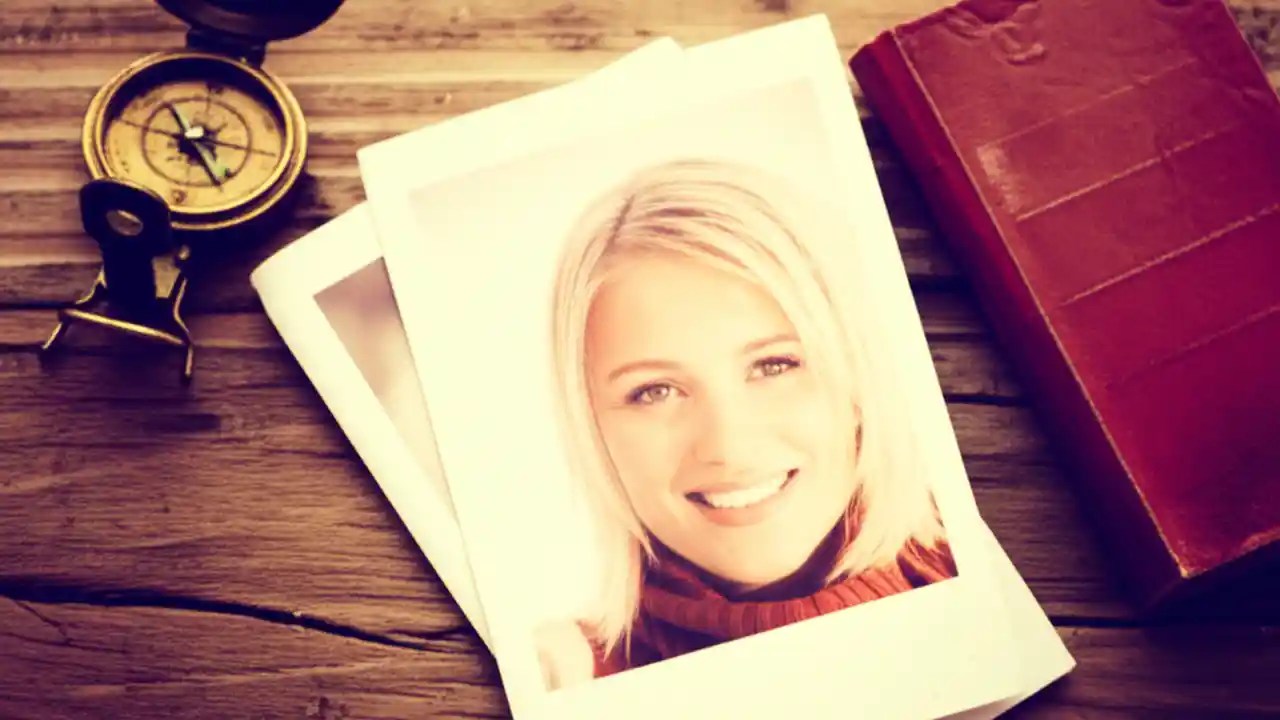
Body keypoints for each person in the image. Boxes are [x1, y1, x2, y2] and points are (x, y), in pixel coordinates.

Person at [538, 158, 955, 690]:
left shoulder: (996, 571)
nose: (729, 446)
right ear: (591, 426)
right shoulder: (570, 682)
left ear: (857, 373)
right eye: (654, 391)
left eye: (773, 366)